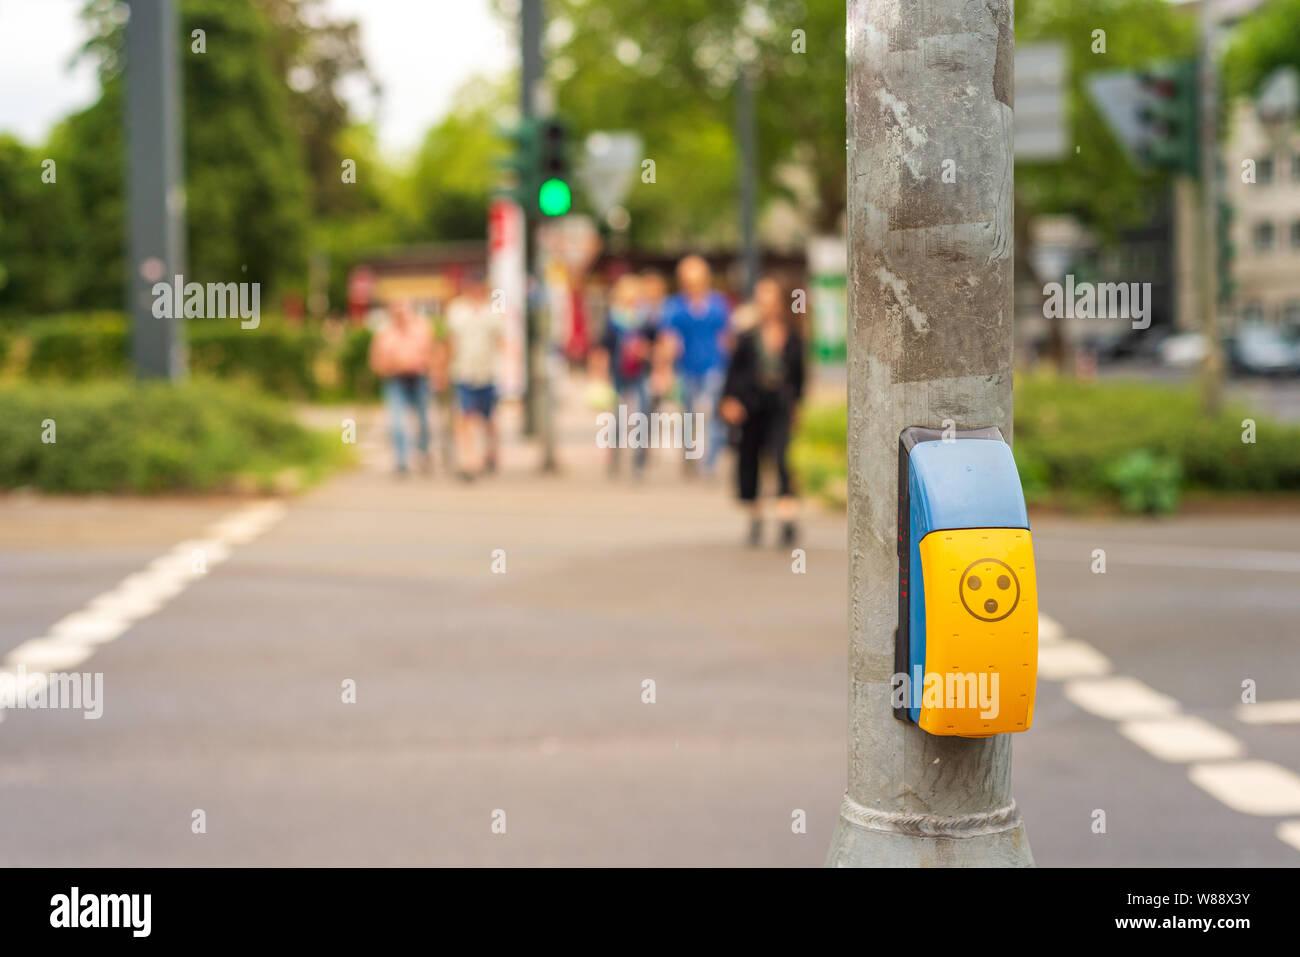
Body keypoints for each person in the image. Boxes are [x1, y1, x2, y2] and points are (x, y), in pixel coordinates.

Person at [720, 277, 806, 547]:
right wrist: (729, 401)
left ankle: (786, 517)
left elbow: (800, 377)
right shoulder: (747, 337)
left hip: (779, 406)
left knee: (782, 459)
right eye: (761, 300)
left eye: (770, 300)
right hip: (750, 406)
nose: (766, 306)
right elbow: (733, 373)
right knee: (749, 459)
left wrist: (797, 407)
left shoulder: (793, 338)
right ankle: (755, 517)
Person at [662, 255, 730, 474]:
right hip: (686, 369)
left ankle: (709, 462)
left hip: (715, 366)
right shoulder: (675, 306)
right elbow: (669, 338)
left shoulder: (718, 304)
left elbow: (726, 336)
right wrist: (664, 369)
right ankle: (689, 456)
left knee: (712, 415)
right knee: (688, 416)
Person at [597, 273, 656, 477]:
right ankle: (615, 456)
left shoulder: (644, 318)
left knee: (642, 415)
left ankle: (639, 460)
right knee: (619, 417)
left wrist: (645, 351)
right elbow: (603, 347)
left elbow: (655, 342)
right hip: (618, 372)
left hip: (640, 372)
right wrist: (601, 373)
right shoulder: (613, 319)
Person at [446, 275, 504, 481]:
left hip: (487, 372)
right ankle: (468, 461)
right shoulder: (457, 310)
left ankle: (490, 453)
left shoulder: (493, 311)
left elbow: (501, 340)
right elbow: (451, 340)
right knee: (467, 417)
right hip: (464, 371)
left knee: (488, 419)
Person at [367, 299, 435, 476]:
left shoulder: (422, 328)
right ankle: (401, 461)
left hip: (419, 378)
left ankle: (423, 452)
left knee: (423, 420)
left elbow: (432, 353)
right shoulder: (384, 333)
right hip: (395, 379)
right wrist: (389, 366)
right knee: (396, 421)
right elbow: (375, 360)